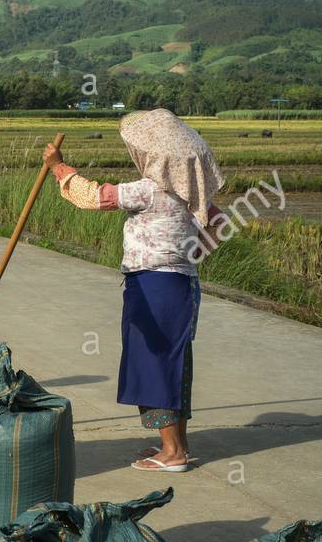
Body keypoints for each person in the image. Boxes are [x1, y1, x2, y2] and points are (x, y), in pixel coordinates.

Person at [44, 108, 225, 472]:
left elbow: (92, 196)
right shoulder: (193, 197)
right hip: (182, 284)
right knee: (174, 362)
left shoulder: (149, 191)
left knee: (153, 362)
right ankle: (177, 445)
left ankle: (172, 453)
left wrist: (57, 167)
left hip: (154, 285)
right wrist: (185, 255)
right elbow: (218, 225)